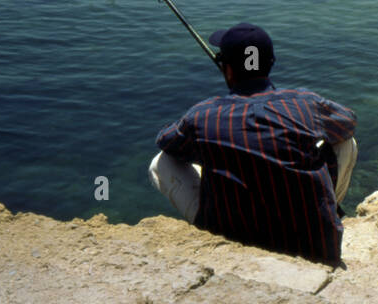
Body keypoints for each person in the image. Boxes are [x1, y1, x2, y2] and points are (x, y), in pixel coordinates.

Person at [150, 23, 357, 265]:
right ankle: (327, 211)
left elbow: (166, 141)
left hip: (236, 243)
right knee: (346, 142)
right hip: (316, 248)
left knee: (161, 163)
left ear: (227, 70)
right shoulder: (306, 102)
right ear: (271, 63)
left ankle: (212, 237)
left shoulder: (202, 115)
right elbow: (348, 122)